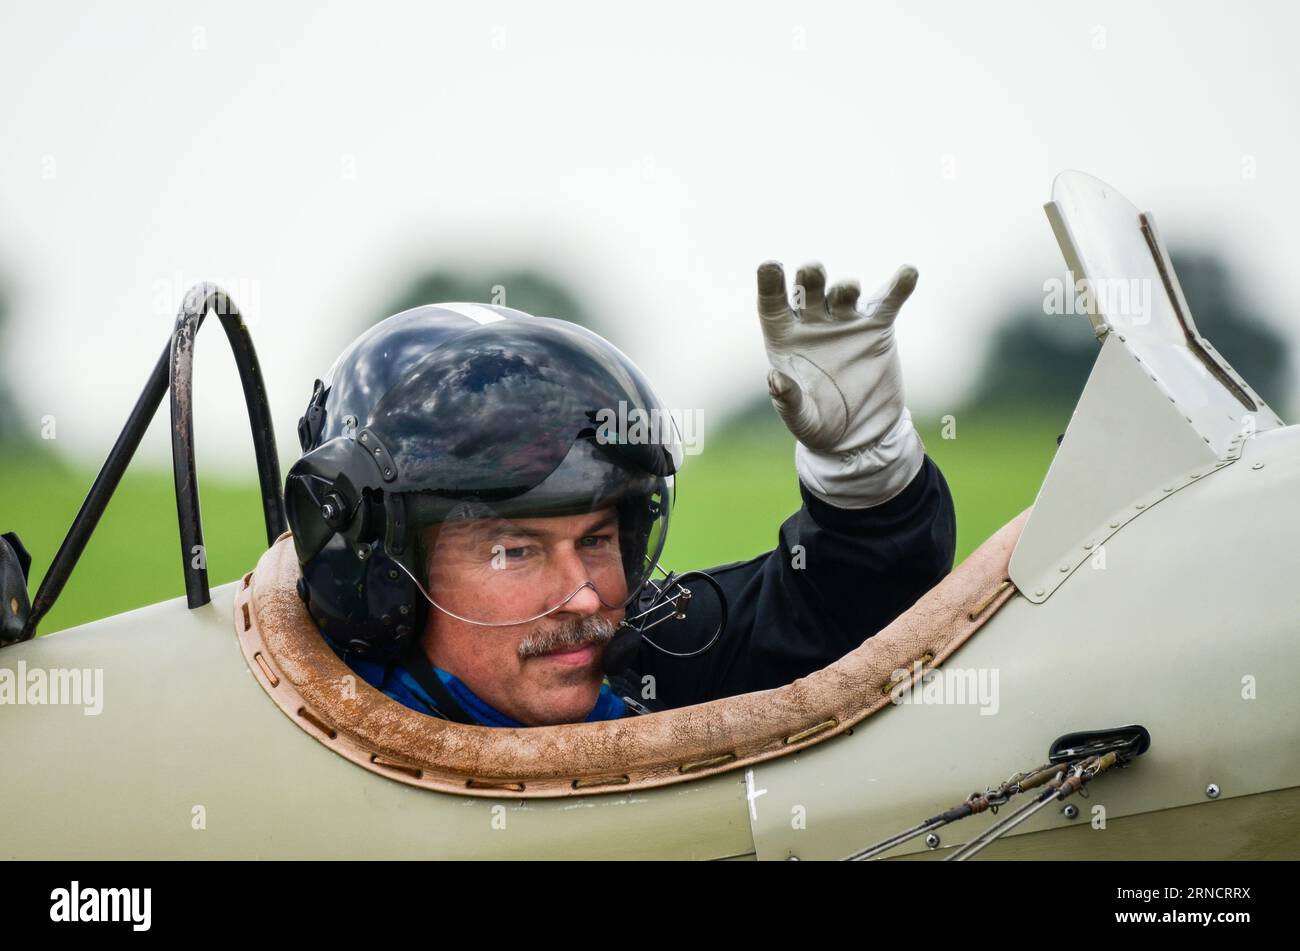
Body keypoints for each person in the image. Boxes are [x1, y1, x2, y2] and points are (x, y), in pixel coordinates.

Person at [284, 261, 955, 726]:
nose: (585, 595)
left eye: (598, 539)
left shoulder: (642, 666)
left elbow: (833, 609)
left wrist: (864, 470)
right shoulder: (289, 774)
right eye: (517, 550)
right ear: (379, 582)